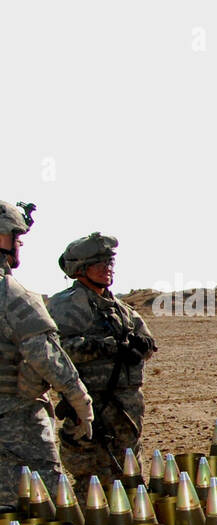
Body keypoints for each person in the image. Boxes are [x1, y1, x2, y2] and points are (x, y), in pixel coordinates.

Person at [0, 201, 94, 508]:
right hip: (17, 424)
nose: (19, 247)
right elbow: (47, 357)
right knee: (51, 510)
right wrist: (82, 404)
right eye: (18, 240)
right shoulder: (12, 295)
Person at [47, 232, 155, 490]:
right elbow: (52, 350)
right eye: (99, 264)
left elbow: (147, 343)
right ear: (80, 269)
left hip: (127, 413)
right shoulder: (65, 307)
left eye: (110, 263)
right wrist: (101, 346)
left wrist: (139, 346)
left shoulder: (121, 309)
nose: (107, 269)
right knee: (92, 480)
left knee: (129, 474)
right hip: (90, 409)